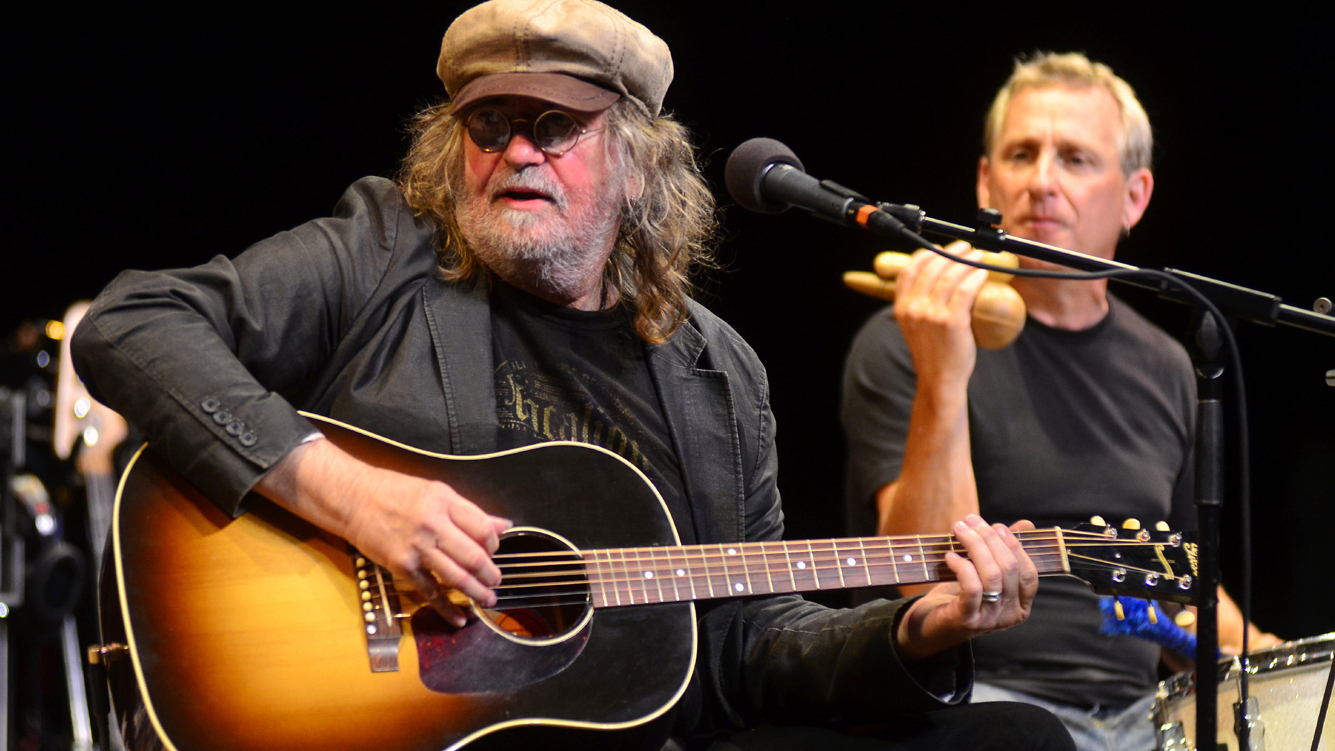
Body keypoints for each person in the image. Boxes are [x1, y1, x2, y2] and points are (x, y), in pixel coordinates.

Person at [71, 1, 1075, 749]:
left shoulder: (718, 374)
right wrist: (354, 494)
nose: (515, 149)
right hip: (383, 716)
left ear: (639, 164)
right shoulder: (385, 248)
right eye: (488, 122)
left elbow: (746, 642)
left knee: (1012, 738)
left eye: (555, 126)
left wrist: (916, 632)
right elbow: (132, 322)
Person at [841, 52, 1279, 751]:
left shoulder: (1168, 365)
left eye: (1074, 158)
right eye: (1021, 154)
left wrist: (1293, 666)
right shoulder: (907, 340)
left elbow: (1175, 588)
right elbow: (911, 579)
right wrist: (945, 374)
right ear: (987, 180)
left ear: (1134, 196)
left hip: (1143, 718)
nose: (1042, 182)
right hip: (977, 703)